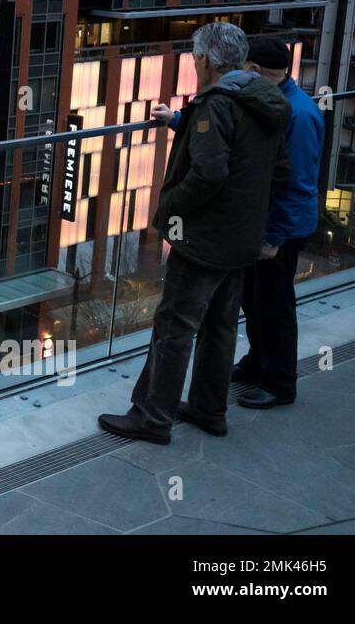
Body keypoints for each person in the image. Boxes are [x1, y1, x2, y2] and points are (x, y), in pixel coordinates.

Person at [99, 22, 291, 444]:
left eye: (194, 55)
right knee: (221, 326)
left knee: (174, 326)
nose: (193, 61)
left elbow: (209, 172)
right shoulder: (266, 102)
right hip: (242, 237)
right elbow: (279, 169)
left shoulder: (214, 105)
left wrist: (169, 207)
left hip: (204, 239)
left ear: (204, 59)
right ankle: (209, 409)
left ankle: (152, 416)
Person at [234, 36, 323, 408]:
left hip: (282, 229)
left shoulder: (297, 115)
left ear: (254, 70)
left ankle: (280, 384)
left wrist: (273, 237)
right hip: (270, 223)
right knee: (255, 302)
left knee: (274, 307)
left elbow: (297, 184)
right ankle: (259, 365)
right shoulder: (278, 101)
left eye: (242, 69)